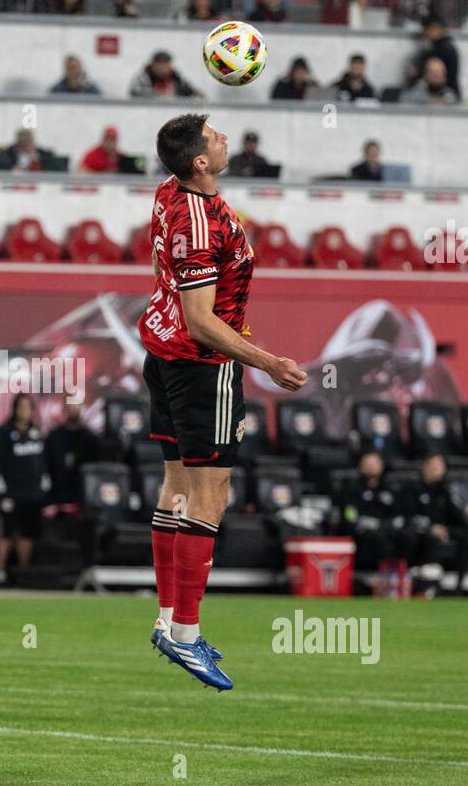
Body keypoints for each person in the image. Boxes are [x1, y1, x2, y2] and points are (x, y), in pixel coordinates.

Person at [139, 112, 306, 690]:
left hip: (162, 352)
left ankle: (167, 620)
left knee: (178, 484)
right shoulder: (201, 222)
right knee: (211, 493)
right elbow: (202, 321)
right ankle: (185, 636)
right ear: (200, 162)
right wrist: (269, 363)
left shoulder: (171, 192)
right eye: (214, 136)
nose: (225, 137)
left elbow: (170, 266)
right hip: (201, 366)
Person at [0, 393, 49, 585]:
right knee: (6, 532)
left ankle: (24, 573)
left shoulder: (37, 433)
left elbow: (43, 460)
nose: (25, 411)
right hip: (10, 493)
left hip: (32, 493)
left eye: (28, 407)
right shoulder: (3, 432)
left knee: (27, 533)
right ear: (14, 409)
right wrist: (0, 483)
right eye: (21, 407)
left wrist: (44, 478)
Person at [397, 453, 468, 592]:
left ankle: (459, 586)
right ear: (424, 466)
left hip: (442, 530)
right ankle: (423, 581)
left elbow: (458, 518)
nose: (435, 469)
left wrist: (465, 516)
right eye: (432, 465)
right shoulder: (412, 488)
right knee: (421, 537)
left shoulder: (445, 491)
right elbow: (407, 516)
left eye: (439, 466)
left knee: (466, 535)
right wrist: (430, 528)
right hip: (420, 532)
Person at [333, 452, 401, 573]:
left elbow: (396, 514)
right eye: (367, 463)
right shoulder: (351, 488)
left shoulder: (390, 489)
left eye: (374, 463)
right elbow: (350, 515)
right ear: (360, 466)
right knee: (374, 538)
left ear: (381, 465)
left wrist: (386, 525)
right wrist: (363, 524)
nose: (371, 466)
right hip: (361, 530)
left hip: (385, 529)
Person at [45, 398, 99, 506]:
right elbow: (47, 463)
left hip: (83, 495)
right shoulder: (54, 436)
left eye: (76, 405)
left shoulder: (91, 438)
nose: (73, 408)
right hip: (58, 495)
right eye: (70, 405)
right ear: (64, 408)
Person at [129, 51, 201, 99]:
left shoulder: (177, 78)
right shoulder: (143, 78)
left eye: (165, 65)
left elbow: (191, 92)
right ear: (153, 65)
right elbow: (134, 92)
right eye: (160, 65)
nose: (162, 68)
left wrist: (194, 93)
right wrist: (156, 94)